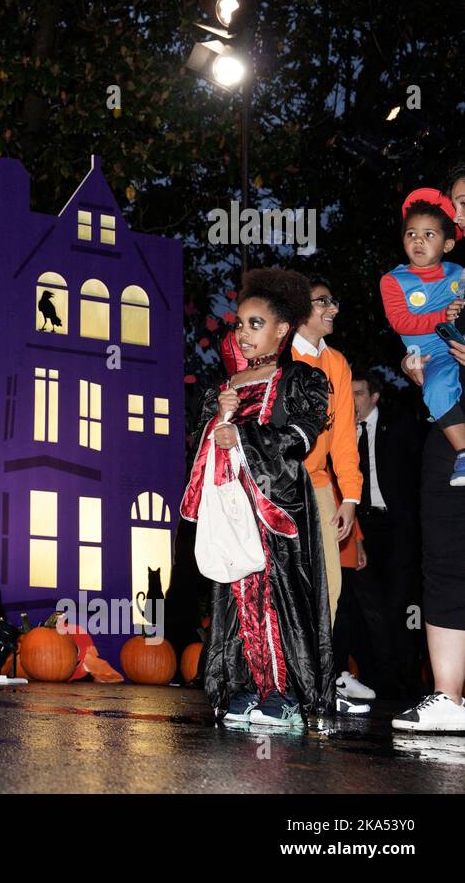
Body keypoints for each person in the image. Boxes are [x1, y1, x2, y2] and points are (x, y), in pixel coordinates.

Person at [181, 268, 335, 729]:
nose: (243, 334)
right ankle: (246, 685)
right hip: (232, 508)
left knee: (276, 593)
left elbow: (300, 437)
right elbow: (205, 448)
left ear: (283, 329)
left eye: (255, 324)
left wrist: (242, 435)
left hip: (275, 505)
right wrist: (218, 423)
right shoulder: (225, 389)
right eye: (238, 324)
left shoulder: (300, 379)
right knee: (236, 592)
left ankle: (283, 692)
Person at [394, 163, 465, 731]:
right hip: (450, 420)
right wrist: (414, 364)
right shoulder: (435, 275)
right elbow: (413, 325)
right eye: (459, 198)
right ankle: (447, 697)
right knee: (444, 555)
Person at [288, 277, 369, 712]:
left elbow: (343, 439)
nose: (334, 308)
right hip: (278, 487)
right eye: (324, 302)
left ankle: (317, 678)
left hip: (320, 486)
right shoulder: (282, 355)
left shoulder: (337, 363)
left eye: (334, 301)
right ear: (301, 310)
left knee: (330, 587)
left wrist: (350, 499)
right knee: (285, 584)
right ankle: (282, 679)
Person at [346, 369, 423, 699]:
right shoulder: (344, 433)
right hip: (364, 530)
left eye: (359, 394)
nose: (352, 402)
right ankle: (381, 678)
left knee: (404, 605)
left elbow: (420, 473)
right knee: (368, 607)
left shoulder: (401, 425)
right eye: (348, 395)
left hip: (399, 528)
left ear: (374, 397)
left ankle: (410, 680)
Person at [379, 188, 465, 485]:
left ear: (448, 244)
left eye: (429, 235)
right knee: (436, 387)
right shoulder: (393, 281)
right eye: (411, 234)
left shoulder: (459, 273)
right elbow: (402, 323)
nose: (418, 240)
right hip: (434, 352)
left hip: (461, 343)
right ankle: (463, 452)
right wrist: (444, 317)